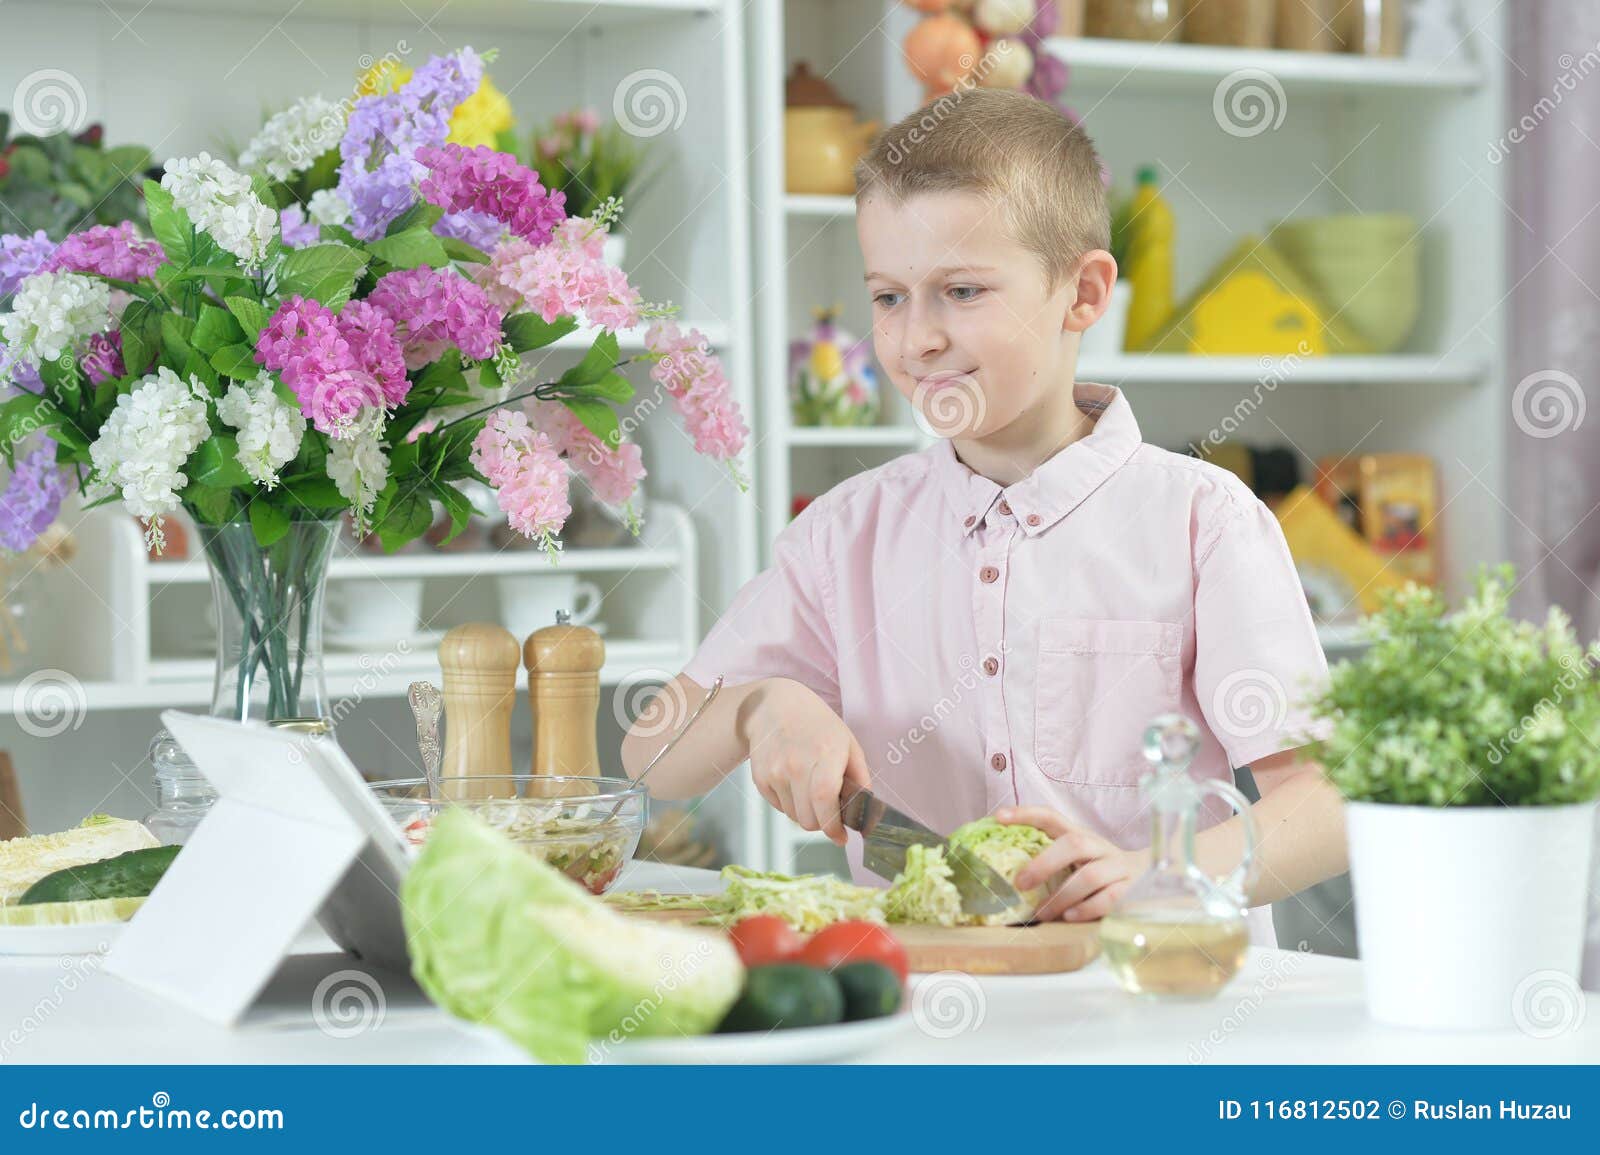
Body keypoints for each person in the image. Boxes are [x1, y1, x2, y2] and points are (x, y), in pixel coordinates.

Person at [620, 88, 1347, 946]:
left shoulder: (1203, 520)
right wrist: (760, 708)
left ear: (1083, 292)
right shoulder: (844, 534)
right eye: (889, 297)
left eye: (960, 291)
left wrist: (1156, 880)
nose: (917, 338)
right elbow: (652, 758)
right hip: (930, 1011)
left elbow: (1327, 803)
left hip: (1158, 1004)